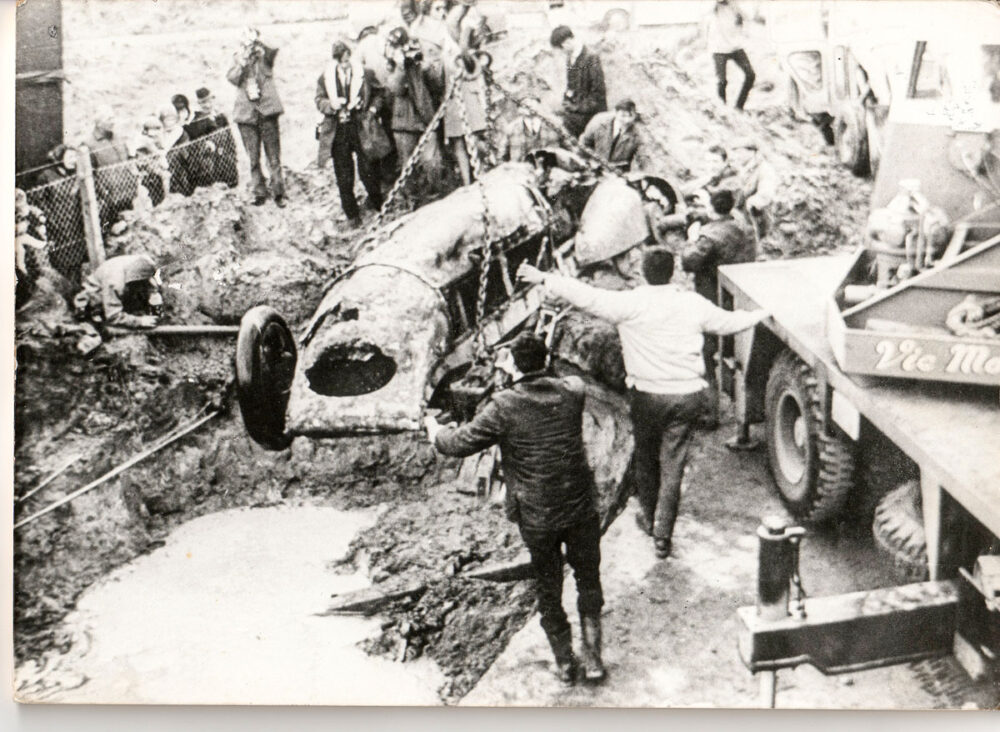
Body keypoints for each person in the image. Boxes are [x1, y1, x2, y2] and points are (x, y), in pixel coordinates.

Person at [517, 251, 767, 559]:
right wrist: (761, 314)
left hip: (647, 397)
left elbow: (585, 296)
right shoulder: (691, 303)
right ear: (673, 273)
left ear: (645, 274)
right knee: (673, 465)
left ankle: (650, 520)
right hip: (687, 396)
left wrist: (544, 278)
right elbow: (729, 323)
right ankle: (664, 535)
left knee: (646, 460)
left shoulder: (630, 303)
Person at [425, 333, 606, 685]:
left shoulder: (504, 406)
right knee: (589, 579)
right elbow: (568, 381)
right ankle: (595, 658)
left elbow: (458, 443)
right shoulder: (573, 392)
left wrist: (434, 430)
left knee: (548, 585)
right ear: (547, 358)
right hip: (580, 506)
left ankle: (566, 663)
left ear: (512, 365)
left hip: (538, 515)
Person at [681, 189, 756, 428]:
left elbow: (688, 262)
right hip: (741, 297)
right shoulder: (743, 226)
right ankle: (742, 404)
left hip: (713, 299)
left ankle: (709, 414)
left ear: (712, 209)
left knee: (707, 355)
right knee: (738, 354)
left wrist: (693, 237)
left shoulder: (708, 237)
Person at [316, 41, 385, 227]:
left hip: (360, 127)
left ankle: (378, 203)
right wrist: (331, 106)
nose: (345, 64)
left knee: (368, 168)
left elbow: (379, 93)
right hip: (338, 130)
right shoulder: (326, 77)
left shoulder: (364, 73)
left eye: (347, 59)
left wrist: (371, 110)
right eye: (341, 62)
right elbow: (319, 99)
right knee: (344, 174)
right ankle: (352, 215)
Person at [227, 27, 286, 207]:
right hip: (247, 116)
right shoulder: (238, 58)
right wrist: (243, 61)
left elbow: (274, 48)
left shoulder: (265, 56)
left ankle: (278, 192)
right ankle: (259, 191)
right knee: (253, 157)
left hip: (267, 112)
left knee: (273, 156)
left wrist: (258, 40)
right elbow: (232, 78)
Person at [385, 26, 441, 192]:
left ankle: (434, 195)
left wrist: (426, 67)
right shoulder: (392, 66)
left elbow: (437, 85)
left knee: (433, 162)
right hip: (404, 123)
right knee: (408, 167)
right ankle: (413, 200)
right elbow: (396, 89)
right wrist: (401, 67)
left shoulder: (419, 63)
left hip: (426, 119)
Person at [442, 0, 489, 185]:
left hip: (465, 77)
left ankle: (476, 178)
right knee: (461, 139)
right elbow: (459, 38)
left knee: (471, 136)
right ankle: (470, 180)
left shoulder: (471, 16)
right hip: (459, 78)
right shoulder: (460, 17)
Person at [72, 253, 162, 329]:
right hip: (95, 295)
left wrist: (154, 295)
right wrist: (140, 321)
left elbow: (150, 280)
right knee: (104, 314)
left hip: (118, 284)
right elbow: (112, 316)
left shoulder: (144, 261)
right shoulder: (115, 282)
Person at [85, 105, 138, 233]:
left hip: (128, 192)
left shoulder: (118, 137)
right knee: (113, 232)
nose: (113, 122)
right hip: (109, 199)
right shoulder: (89, 144)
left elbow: (128, 159)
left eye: (113, 118)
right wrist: (103, 193)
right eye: (109, 119)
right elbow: (90, 175)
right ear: (98, 122)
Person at [549, 25, 607, 137]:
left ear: (568, 41)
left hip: (592, 114)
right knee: (551, 118)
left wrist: (575, 108)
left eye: (562, 48)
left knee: (560, 127)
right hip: (578, 110)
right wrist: (566, 100)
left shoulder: (591, 57)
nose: (562, 52)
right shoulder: (570, 58)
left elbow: (598, 95)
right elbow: (571, 87)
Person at [705, 0, 755, 111]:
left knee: (750, 75)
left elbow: (748, 17)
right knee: (721, 81)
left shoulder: (734, 4)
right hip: (718, 49)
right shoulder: (712, 5)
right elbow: (706, 9)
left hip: (735, 47)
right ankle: (723, 111)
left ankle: (738, 108)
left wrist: (735, 6)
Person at [186, 87, 239, 188]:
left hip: (225, 158)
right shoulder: (196, 121)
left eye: (209, 101)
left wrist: (232, 156)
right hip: (209, 160)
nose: (207, 105)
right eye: (203, 103)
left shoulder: (221, 117)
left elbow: (230, 139)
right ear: (198, 104)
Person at [579, 99, 649, 173]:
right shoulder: (599, 121)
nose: (627, 120)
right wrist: (586, 162)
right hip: (594, 166)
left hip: (618, 172)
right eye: (623, 116)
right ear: (615, 113)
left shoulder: (639, 133)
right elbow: (584, 143)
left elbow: (643, 158)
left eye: (630, 116)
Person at [497, 96, 561, 163]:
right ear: (519, 109)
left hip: (550, 170)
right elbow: (501, 156)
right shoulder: (511, 128)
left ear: (539, 104)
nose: (528, 103)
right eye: (524, 100)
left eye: (532, 99)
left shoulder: (554, 125)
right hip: (520, 170)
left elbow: (569, 149)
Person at [159, 104, 196, 197]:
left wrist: (165, 155)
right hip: (168, 162)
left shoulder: (179, 131)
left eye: (172, 119)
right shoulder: (161, 132)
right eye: (167, 120)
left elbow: (169, 146)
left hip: (181, 161)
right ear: (162, 121)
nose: (170, 123)